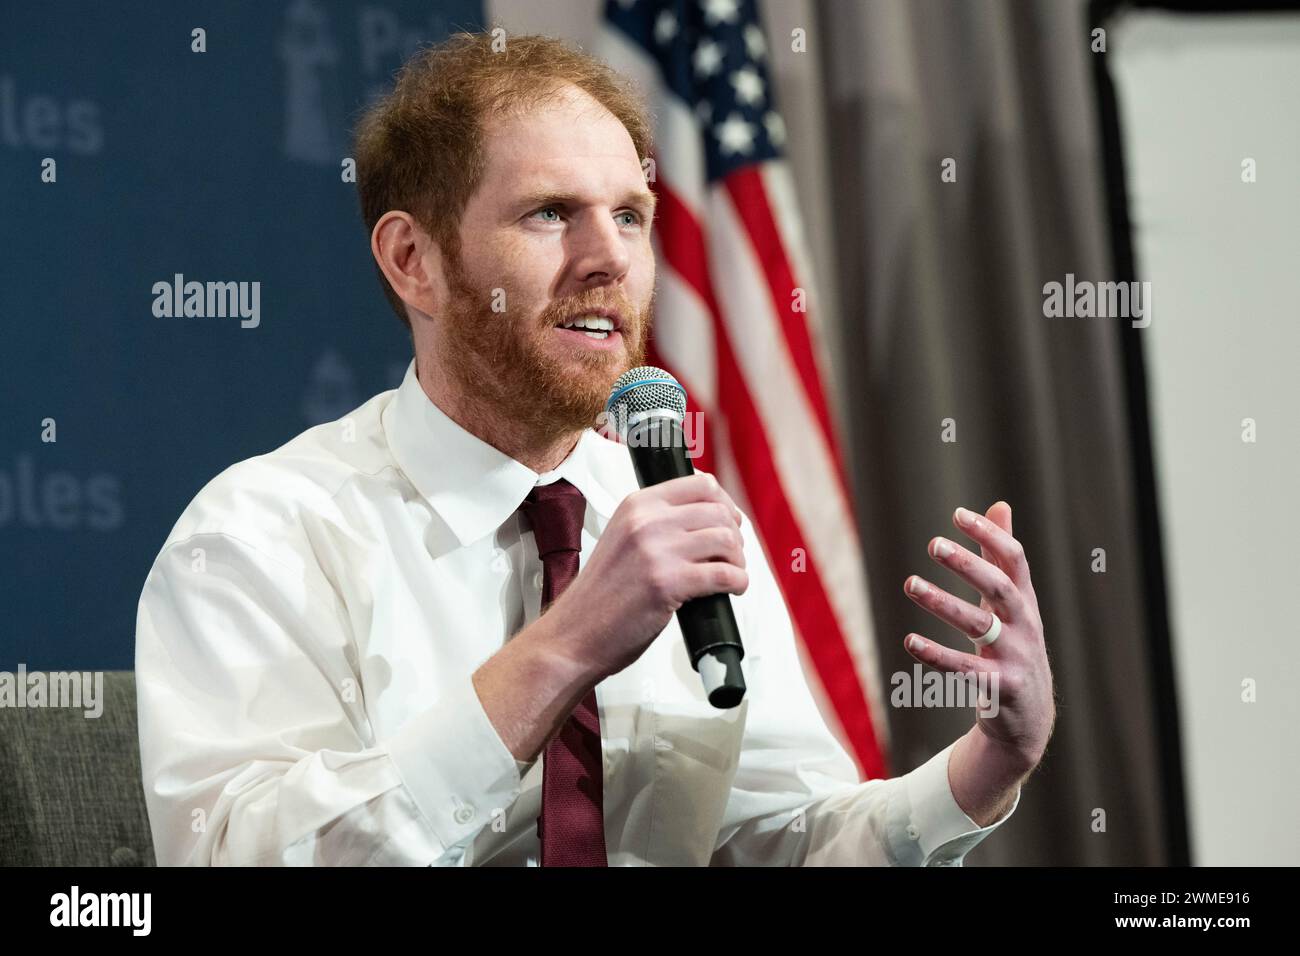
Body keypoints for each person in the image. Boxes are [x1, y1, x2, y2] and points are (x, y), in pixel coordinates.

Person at [135, 32, 1055, 866]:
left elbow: (783, 839)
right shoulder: (261, 535)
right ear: (414, 259)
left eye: (631, 215)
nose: (609, 257)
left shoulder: (684, 510)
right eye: (548, 213)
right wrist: (569, 643)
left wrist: (983, 769)